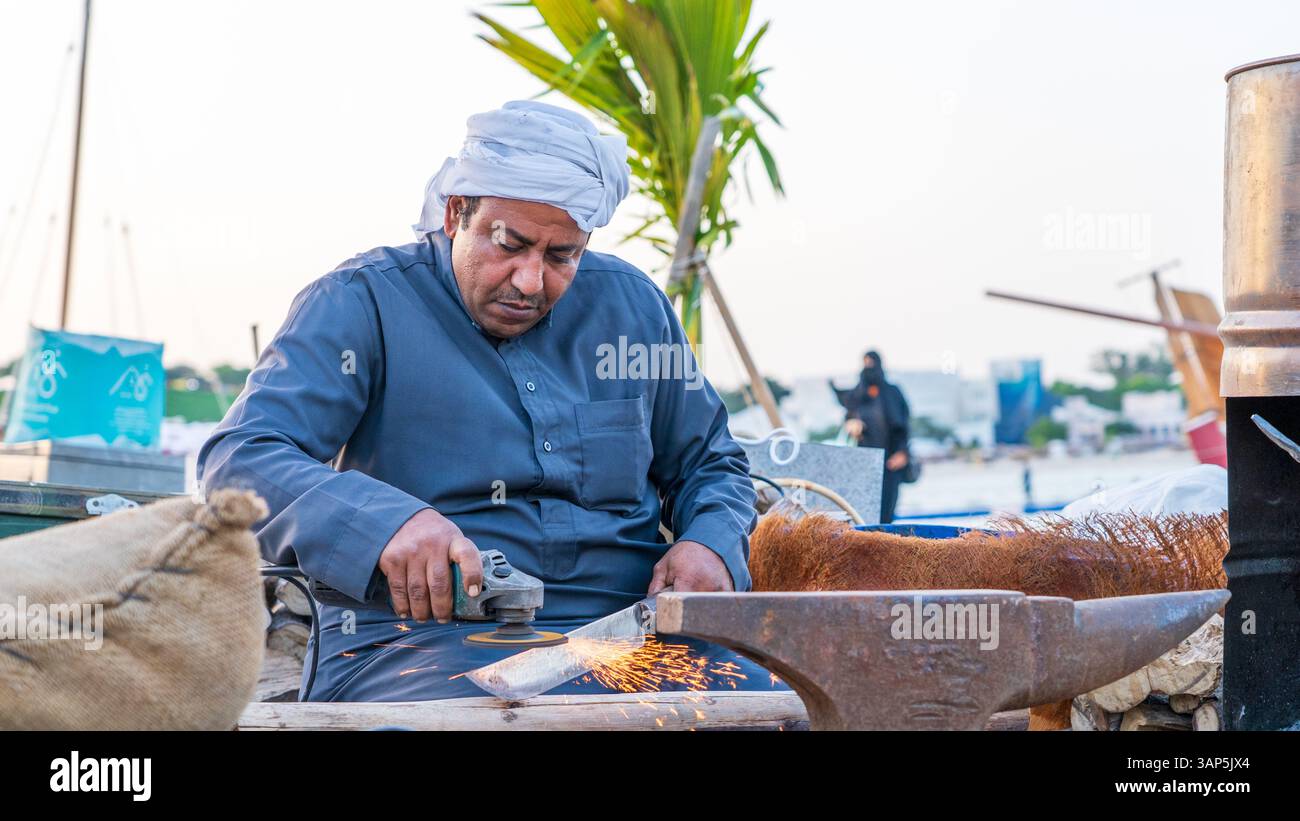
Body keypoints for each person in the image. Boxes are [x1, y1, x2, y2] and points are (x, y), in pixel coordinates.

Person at [197, 101, 776, 701]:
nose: (531, 280)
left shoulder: (633, 309)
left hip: (635, 640)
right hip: (415, 646)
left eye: (561, 257)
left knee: (792, 706)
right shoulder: (358, 303)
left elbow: (711, 462)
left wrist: (710, 542)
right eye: (510, 244)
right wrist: (382, 523)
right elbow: (238, 460)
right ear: (455, 215)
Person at [831, 350, 912, 523]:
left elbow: (903, 425)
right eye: (865, 363)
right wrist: (852, 423)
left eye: (872, 363)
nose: (869, 367)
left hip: (890, 462)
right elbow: (849, 416)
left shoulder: (892, 392)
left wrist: (903, 453)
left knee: (887, 511)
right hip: (864, 463)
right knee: (863, 510)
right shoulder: (857, 395)